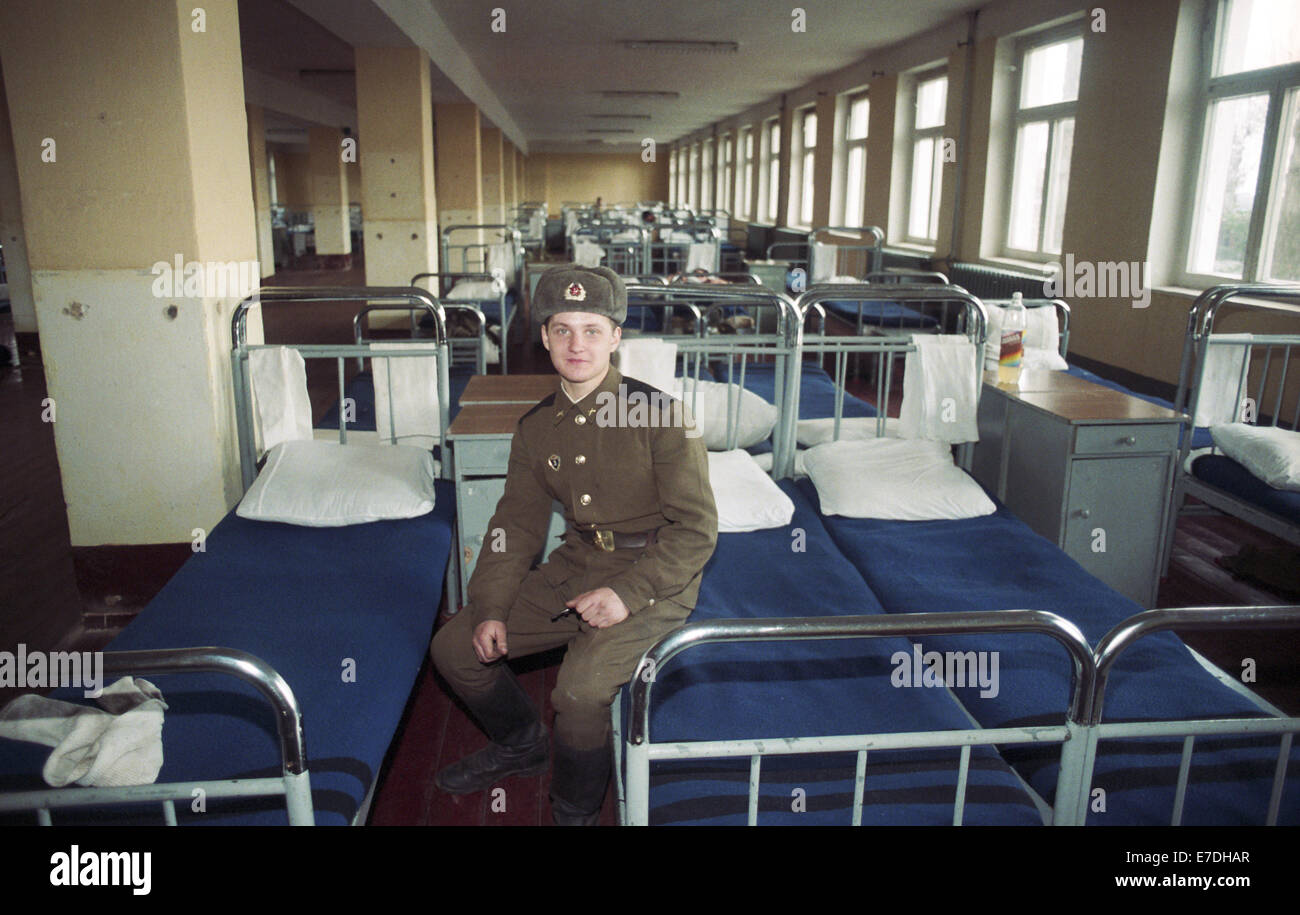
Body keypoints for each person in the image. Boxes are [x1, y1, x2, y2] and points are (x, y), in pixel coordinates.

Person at [430, 264, 718, 825]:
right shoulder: (537, 428)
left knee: (580, 696)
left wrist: (629, 593)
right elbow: (514, 526)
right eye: (562, 329)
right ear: (543, 337)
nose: (576, 344)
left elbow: (696, 530)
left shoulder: (660, 416)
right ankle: (522, 744)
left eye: (592, 329)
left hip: (655, 573)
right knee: (455, 648)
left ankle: (575, 808)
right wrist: (488, 606)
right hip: (579, 560)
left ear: (616, 336)